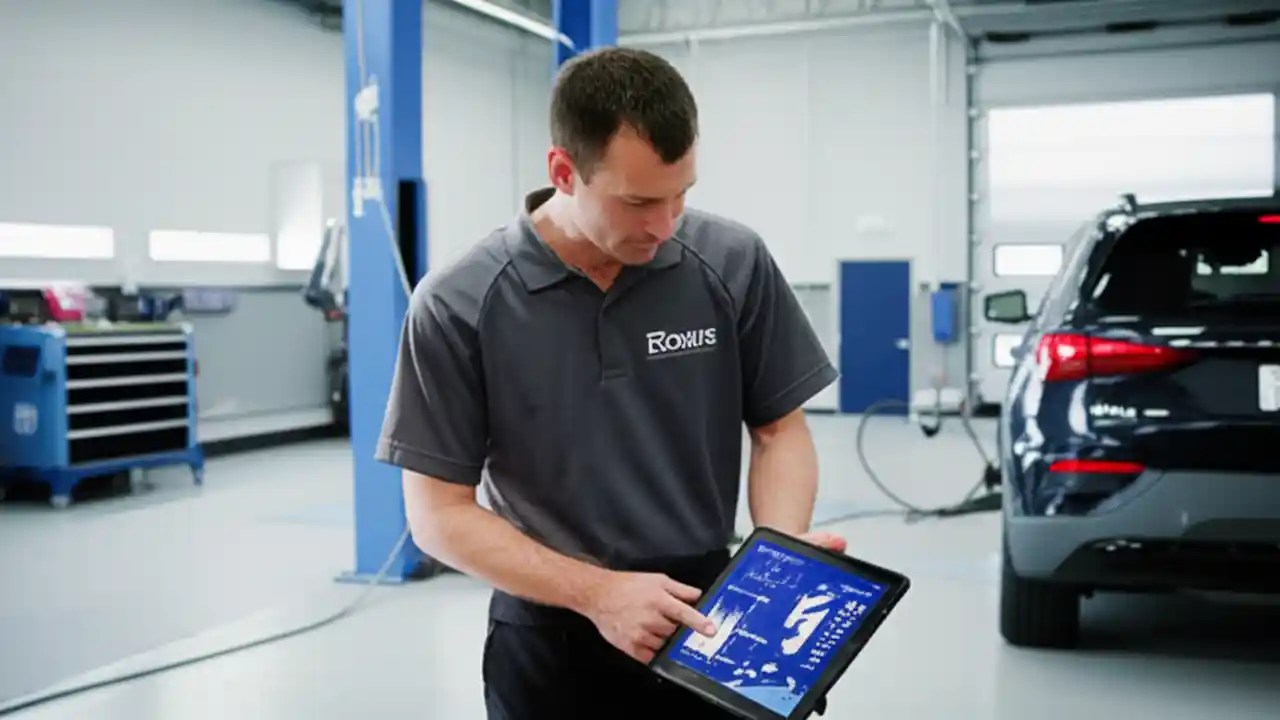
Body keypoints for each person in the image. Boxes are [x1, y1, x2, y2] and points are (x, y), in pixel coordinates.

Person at [375, 46, 846, 719]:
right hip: (550, 631)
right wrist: (597, 593)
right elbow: (437, 515)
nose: (665, 224)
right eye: (638, 202)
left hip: (710, 615)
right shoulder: (459, 303)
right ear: (563, 172)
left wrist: (781, 555)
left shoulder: (732, 262)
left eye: (681, 194)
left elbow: (779, 431)